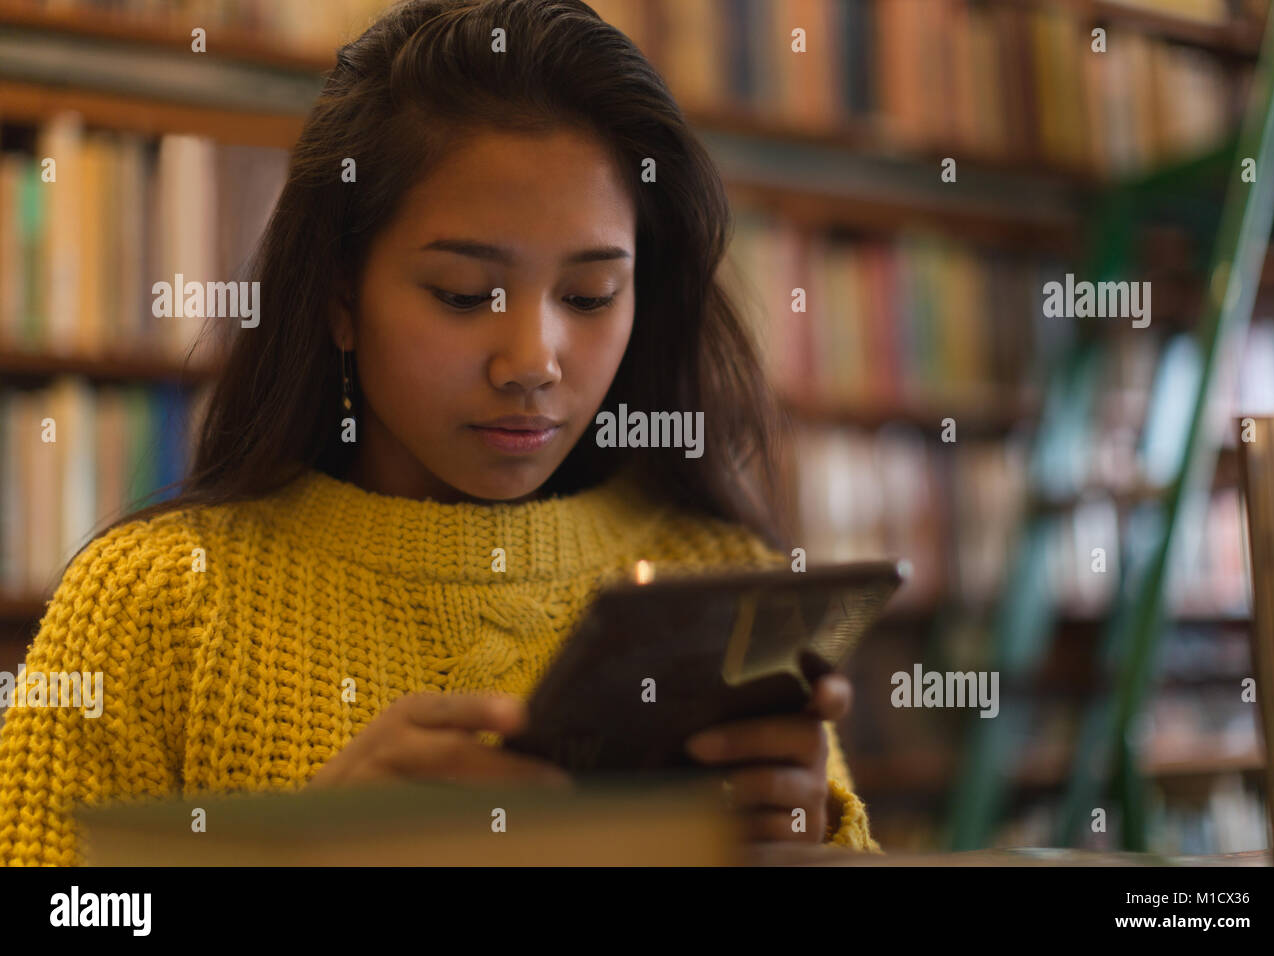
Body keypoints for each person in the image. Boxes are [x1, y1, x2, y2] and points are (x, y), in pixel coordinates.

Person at [0, 0, 881, 865]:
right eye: (463, 294)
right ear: (341, 296)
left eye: (589, 297)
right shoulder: (154, 608)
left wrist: (811, 844)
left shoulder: (722, 588)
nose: (532, 361)